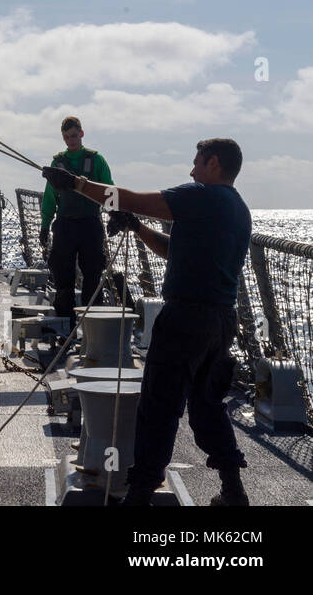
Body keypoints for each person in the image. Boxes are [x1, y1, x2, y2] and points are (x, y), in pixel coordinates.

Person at [42, 138, 252, 506]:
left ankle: (138, 495)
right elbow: (174, 251)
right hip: (221, 322)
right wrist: (137, 229)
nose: (192, 170)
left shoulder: (200, 196)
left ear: (214, 164)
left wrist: (75, 184)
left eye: (197, 162)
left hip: (186, 319)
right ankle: (233, 489)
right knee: (207, 406)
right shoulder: (238, 208)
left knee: (158, 408)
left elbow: (127, 198)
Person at [39, 116, 114, 324]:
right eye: (66, 137)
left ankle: (93, 327)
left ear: (81, 134)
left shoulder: (96, 160)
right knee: (63, 278)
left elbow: (110, 190)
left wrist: (114, 214)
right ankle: (66, 325)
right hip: (65, 225)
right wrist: (45, 227)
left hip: (90, 225)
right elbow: (50, 198)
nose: (71, 140)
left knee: (93, 276)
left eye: (74, 136)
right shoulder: (58, 164)